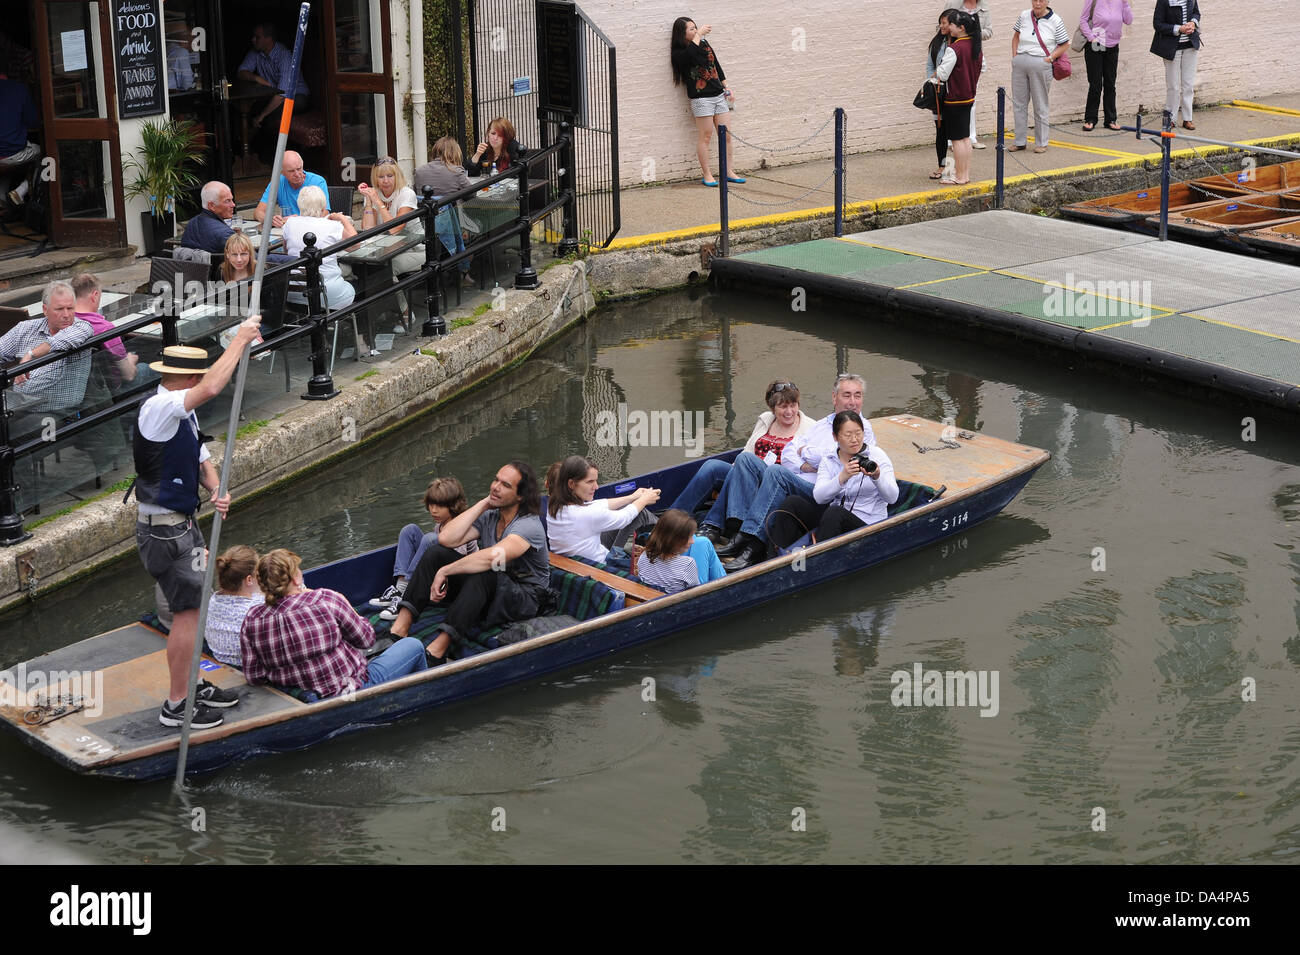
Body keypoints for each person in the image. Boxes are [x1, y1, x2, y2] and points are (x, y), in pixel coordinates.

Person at [130, 317, 262, 729]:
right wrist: (240, 340)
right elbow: (212, 388)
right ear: (185, 377)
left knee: (194, 605)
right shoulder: (160, 407)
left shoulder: (180, 413)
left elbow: (199, 458)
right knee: (187, 612)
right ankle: (176, 705)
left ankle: (192, 683)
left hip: (182, 525)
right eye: (196, 376)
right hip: (165, 530)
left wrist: (214, 487)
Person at [386, 461, 550, 666]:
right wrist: (484, 503)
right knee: (436, 552)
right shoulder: (491, 515)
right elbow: (446, 538)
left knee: (486, 571)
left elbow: (493, 557)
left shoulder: (528, 525)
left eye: (505, 485)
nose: (495, 487)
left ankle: (437, 651)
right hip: (491, 590)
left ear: (521, 496)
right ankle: (399, 629)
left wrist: (446, 571)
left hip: (525, 599)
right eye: (495, 480)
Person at [716, 374, 875, 571]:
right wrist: (805, 464)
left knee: (776, 473)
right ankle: (736, 533)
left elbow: (837, 457)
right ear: (834, 398)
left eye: (857, 396)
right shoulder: (822, 424)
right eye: (847, 395)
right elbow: (790, 451)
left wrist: (809, 454)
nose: (852, 402)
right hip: (800, 478)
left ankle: (751, 543)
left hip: (823, 491)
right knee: (745, 460)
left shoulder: (863, 430)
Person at [240, 549, 428, 700]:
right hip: (351, 690)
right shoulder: (326, 599)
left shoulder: (252, 618)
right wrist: (346, 604)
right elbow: (367, 639)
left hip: (301, 696)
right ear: (296, 579)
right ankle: (419, 699)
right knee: (414, 645)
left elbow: (254, 675)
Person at [669, 379, 813, 541]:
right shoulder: (766, 419)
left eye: (793, 405)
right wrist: (736, 468)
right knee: (712, 466)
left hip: (773, 482)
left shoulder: (810, 428)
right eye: (783, 406)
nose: (789, 411)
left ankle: (715, 524)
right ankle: (671, 520)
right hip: (747, 470)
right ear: (772, 408)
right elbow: (748, 450)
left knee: (743, 462)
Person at [769, 411, 899, 550]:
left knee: (834, 513)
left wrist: (877, 477)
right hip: (833, 522)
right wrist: (842, 477)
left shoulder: (877, 455)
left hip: (867, 525)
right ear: (835, 437)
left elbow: (892, 498)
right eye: (848, 435)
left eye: (859, 433)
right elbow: (819, 498)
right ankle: (775, 559)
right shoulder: (829, 460)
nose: (855, 439)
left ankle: (816, 561)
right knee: (792, 503)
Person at [368, 477, 479, 620]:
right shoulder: (440, 525)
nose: (433, 510)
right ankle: (400, 589)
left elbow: (455, 563)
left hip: (457, 581)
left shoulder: (463, 527)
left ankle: (406, 595)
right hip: (436, 571)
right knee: (410, 530)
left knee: (430, 539)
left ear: (453, 505)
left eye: (439, 506)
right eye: (431, 505)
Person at [0, 281, 93, 421]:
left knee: (15, 433)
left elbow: (61, 340)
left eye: (70, 308)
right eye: (59, 309)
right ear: (45, 309)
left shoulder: (82, 328)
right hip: (17, 406)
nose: (66, 314)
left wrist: (31, 354)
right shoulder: (25, 328)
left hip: (57, 413)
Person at [669, 17, 745, 187]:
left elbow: (715, 65)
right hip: (701, 98)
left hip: (718, 95)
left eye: (696, 27)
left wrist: (727, 87)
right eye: (691, 29)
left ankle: (728, 171)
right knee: (706, 136)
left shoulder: (704, 44)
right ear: (682, 33)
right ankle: (707, 174)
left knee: (726, 136)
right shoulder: (679, 53)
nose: (696, 31)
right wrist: (699, 36)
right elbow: (690, 57)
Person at [546, 455, 661, 565]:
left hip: (578, 562)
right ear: (571, 484)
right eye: (590, 482)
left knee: (630, 507)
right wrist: (645, 499)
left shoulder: (555, 506)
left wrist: (632, 497)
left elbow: (597, 505)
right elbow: (624, 518)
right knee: (640, 514)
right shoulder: (587, 515)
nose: (596, 487)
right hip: (604, 566)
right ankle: (668, 535)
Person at [358, 156, 432, 311]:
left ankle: (404, 313)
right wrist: (369, 202)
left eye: (390, 176)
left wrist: (377, 202)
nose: (385, 180)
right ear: (375, 178)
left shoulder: (406, 194)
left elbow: (395, 228)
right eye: (381, 177)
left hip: (417, 249)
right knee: (367, 268)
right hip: (389, 249)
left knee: (387, 269)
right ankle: (379, 313)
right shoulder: (373, 194)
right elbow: (368, 230)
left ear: (396, 176)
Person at [237, 22, 311, 165]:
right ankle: (249, 153)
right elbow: (241, 72)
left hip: (297, 97)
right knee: (248, 110)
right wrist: (257, 78)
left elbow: (283, 94)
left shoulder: (285, 56)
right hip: (274, 97)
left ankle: (268, 160)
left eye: (257, 37)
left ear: (268, 39)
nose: (253, 40)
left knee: (270, 119)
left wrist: (262, 116)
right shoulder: (256, 53)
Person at [280, 184, 356, 311]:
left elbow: (286, 251)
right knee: (353, 285)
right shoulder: (332, 225)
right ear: (323, 205)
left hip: (294, 292)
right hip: (328, 293)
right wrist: (342, 218)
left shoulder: (290, 223)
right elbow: (356, 244)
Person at [1010, 0, 1071, 154]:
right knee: (1019, 103)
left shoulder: (1055, 20)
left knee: (1040, 103)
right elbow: (1016, 36)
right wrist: (1015, 56)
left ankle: (1042, 142)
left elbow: (1065, 44)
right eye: (1035, 0)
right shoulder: (1024, 15)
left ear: (1047, 2)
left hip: (1041, 62)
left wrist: (1050, 58)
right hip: (1021, 61)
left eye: (1041, 0)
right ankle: (1019, 141)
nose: (1037, 3)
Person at [413, 136, 475, 283]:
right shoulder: (457, 172)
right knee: (480, 227)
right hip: (453, 228)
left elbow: (415, 196)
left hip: (425, 226)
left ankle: (448, 268)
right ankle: (463, 271)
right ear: (455, 153)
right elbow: (472, 195)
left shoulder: (419, 171)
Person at [931, 11, 982, 185]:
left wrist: (936, 72)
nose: (948, 27)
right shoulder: (975, 46)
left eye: (951, 24)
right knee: (965, 138)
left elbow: (943, 74)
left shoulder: (955, 48)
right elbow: (982, 68)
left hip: (954, 99)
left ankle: (959, 176)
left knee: (957, 140)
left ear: (961, 28)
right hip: (968, 97)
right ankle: (964, 174)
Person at [68, 273, 139, 385]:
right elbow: (128, 375)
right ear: (95, 295)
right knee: (148, 368)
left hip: (77, 382)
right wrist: (131, 360)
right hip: (110, 387)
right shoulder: (105, 328)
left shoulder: (63, 321)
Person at [1080, 1, 1133, 131]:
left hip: (1113, 45)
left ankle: (1110, 119)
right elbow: (1083, 20)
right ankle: (1090, 119)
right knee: (1095, 84)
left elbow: (1129, 20)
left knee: (1110, 83)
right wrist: (1091, 37)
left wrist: (1126, 3)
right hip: (1096, 44)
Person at [204, 545, 260, 667]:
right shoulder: (256, 611)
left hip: (219, 655)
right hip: (247, 664)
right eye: (258, 573)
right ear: (249, 579)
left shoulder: (212, 600)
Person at [635, 509, 713, 595]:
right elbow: (696, 594)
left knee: (701, 542)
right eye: (689, 538)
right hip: (679, 602)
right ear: (676, 541)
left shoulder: (644, 555)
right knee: (703, 542)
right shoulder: (688, 563)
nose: (692, 541)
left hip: (652, 597)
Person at [1151, 0, 1201, 130]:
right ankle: (1170, 119)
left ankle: (1187, 119)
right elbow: (1158, 24)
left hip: (1190, 46)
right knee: (1173, 85)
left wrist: (1193, 22)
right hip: (1172, 48)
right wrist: (1179, 29)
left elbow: (1196, 13)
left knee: (1188, 85)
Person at [0, 61, 40, 209]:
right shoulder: (19, 89)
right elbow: (33, 121)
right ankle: (21, 190)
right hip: (13, 154)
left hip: (5, 156)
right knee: (47, 153)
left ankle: (2, 201)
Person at [254, 151, 329, 226]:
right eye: (291, 171)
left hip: (311, 228)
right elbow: (258, 212)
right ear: (282, 172)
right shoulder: (277, 182)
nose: (297, 174)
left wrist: (296, 220)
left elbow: (325, 214)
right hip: (287, 230)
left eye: (299, 169)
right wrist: (270, 220)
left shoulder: (317, 181)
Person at [926, 10, 959, 180]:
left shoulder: (960, 43)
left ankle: (955, 169)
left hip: (954, 92)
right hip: (938, 92)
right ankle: (942, 166)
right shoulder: (936, 43)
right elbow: (930, 66)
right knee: (940, 130)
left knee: (955, 132)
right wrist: (932, 83)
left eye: (945, 22)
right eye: (941, 22)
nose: (942, 26)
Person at [959, 0, 992, 148]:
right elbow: (943, 26)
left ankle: (971, 137)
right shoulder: (954, 4)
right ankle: (954, 138)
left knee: (971, 98)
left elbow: (989, 31)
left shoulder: (984, 7)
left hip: (975, 55)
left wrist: (974, 32)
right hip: (957, 53)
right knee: (954, 97)